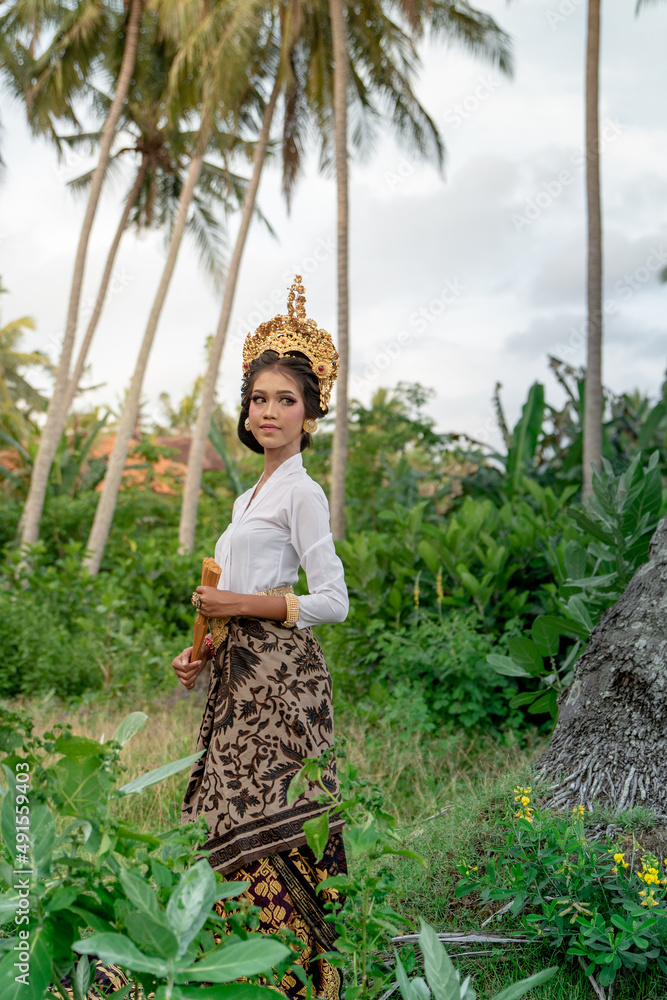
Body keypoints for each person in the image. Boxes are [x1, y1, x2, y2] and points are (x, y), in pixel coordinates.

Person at [171, 276, 349, 999]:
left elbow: (332, 601)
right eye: (258, 399)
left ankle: (294, 979)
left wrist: (238, 601)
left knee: (266, 816)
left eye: (285, 400)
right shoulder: (250, 495)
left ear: (310, 414)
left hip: (281, 683)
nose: (267, 411)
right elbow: (234, 601)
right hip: (237, 674)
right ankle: (228, 964)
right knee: (224, 815)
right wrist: (202, 647)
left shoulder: (302, 492)